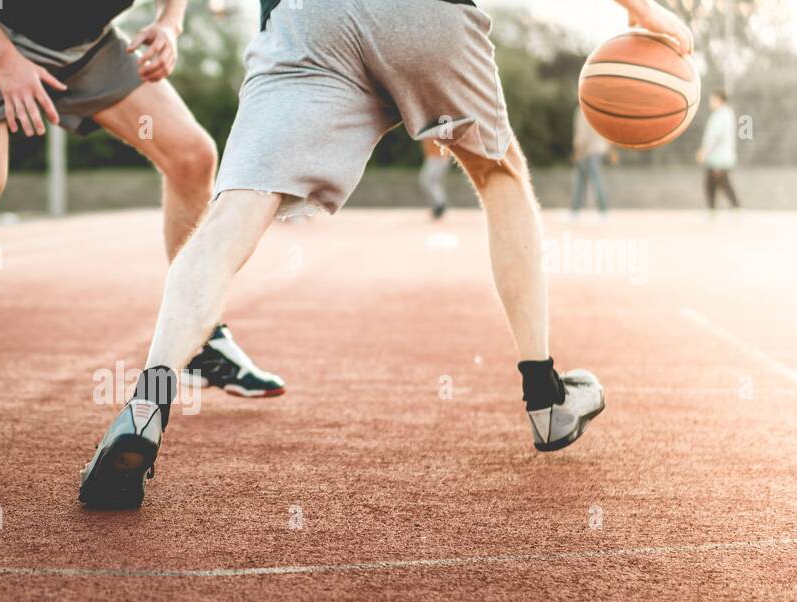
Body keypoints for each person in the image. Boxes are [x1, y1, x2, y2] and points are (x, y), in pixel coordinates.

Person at [77, 0, 694, 509]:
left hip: (306, 23)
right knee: (500, 174)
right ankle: (545, 398)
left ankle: (147, 403)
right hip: (422, 17)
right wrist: (646, 12)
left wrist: (180, 18)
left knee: (233, 213)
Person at [0, 0, 284, 430]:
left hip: (91, 48)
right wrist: (2, 57)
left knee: (192, 157)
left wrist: (169, 24)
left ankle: (201, 344)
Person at [698, 89, 739, 213]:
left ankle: (737, 208)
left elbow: (717, 137)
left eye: (712, 99)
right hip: (715, 158)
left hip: (720, 158)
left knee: (722, 183)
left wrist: (705, 152)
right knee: (711, 184)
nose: (710, 102)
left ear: (719, 99)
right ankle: (712, 209)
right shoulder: (720, 114)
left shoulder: (724, 115)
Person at [570, 104, 613, 219]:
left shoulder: (583, 109)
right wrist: (609, 150)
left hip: (587, 151)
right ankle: (602, 211)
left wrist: (578, 150)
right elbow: (607, 131)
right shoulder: (599, 108)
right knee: (595, 180)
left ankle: (576, 210)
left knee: (582, 181)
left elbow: (582, 132)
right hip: (598, 149)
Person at [418, 139, 452, 219]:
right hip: (434, 157)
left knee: (427, 181)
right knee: (429, 181)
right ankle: (438, 204)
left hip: (437, 158)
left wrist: (443, 157)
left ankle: (440, 203)